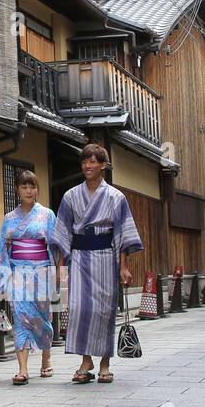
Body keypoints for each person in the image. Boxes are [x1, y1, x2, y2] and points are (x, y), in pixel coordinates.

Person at [51, 144, 143, 384]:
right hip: (79, 257)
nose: (87, 166)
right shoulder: (71, 196)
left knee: (104, 310)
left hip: (105, 256)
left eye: (93, 162)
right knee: (80, 309)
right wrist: (61, 268)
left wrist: (123, 266)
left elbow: (122, 233)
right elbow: (62, 234)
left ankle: (104, 363)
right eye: (84, 162)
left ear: (103, 165)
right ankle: (85, 360)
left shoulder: (116, 197)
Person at [0, 170, 57, 385]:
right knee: (21, 317)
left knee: (43, 318)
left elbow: (55, 246)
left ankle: (46, 358)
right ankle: (22, 369)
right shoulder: (9, 219)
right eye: (24, 187)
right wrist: (3, 278)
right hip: (18, 272)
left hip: (41, 272)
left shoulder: (47, 215)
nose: (29, 191)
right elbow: (2, 249)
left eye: (33, 186)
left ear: (37, 189)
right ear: (17, 190)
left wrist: (56, 273)